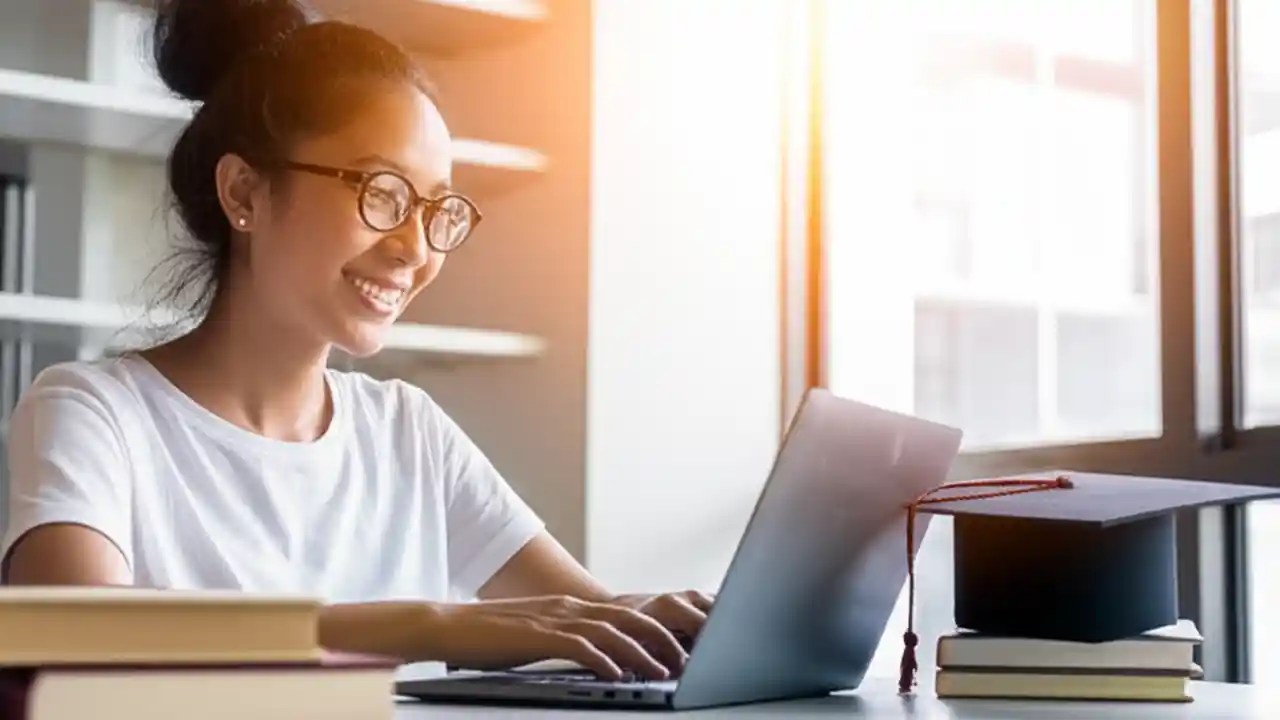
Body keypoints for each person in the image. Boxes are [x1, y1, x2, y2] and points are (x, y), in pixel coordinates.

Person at [0, 0, 709, 682]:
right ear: (245, 193)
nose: (414, 249)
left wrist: (702, 623)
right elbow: (70, 631)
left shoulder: (406, 430)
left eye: (436, 209)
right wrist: (430, 625)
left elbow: (586, 614)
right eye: (382, 193)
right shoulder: (96, 411)